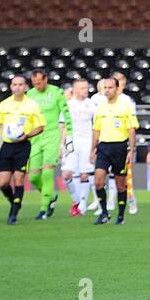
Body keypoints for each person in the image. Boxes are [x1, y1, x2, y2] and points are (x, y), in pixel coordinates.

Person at [0, 75, 46, 225]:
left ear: (25, 87)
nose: (17, 87)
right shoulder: (3, 105)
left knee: (19, 178)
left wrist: (26, 135)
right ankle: (14, 201)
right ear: (10, 87)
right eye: (14, 84)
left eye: (20, 84)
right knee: (3, 183)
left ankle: (13, 214)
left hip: (23, 145)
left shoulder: (32, 105)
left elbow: (40, 127)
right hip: (7, 146)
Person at [89, 76, 137, 226]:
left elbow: (131, 129)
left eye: (110, 87)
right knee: (98, 181)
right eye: (105, 87)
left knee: (120, 184)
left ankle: (121, 216)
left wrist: (132, 149)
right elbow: (96, 130)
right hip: (103, 147)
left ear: (117, 89)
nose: (107, 90)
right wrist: (92, 149)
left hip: (120, 147)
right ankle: (104, 213)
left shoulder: (125, 106)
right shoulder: (100, 107)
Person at [25, 69, 70, 220]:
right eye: (34, 83)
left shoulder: (56, 92)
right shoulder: (30, 94)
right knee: (33, 177)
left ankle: (43, 209)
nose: (37, 86)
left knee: (47, 172)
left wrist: (68, 137)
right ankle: (51, 196)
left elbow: (66, 114)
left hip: (52, 136)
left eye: (39, 82)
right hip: (36, 138)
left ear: (45, 80)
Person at [60, 78, 96, 218]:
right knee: (66, 174)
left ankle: (82, 205)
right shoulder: (67, 105)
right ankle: (75, 200)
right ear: (74, 90)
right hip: (71, 141)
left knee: (85, 173)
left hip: (87, 141)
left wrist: (95, 146)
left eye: (86, 88)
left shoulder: (92, 105)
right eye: (82, 88)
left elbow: (96, 126)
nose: (85, 90)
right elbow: (62, 127)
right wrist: (61, 145)